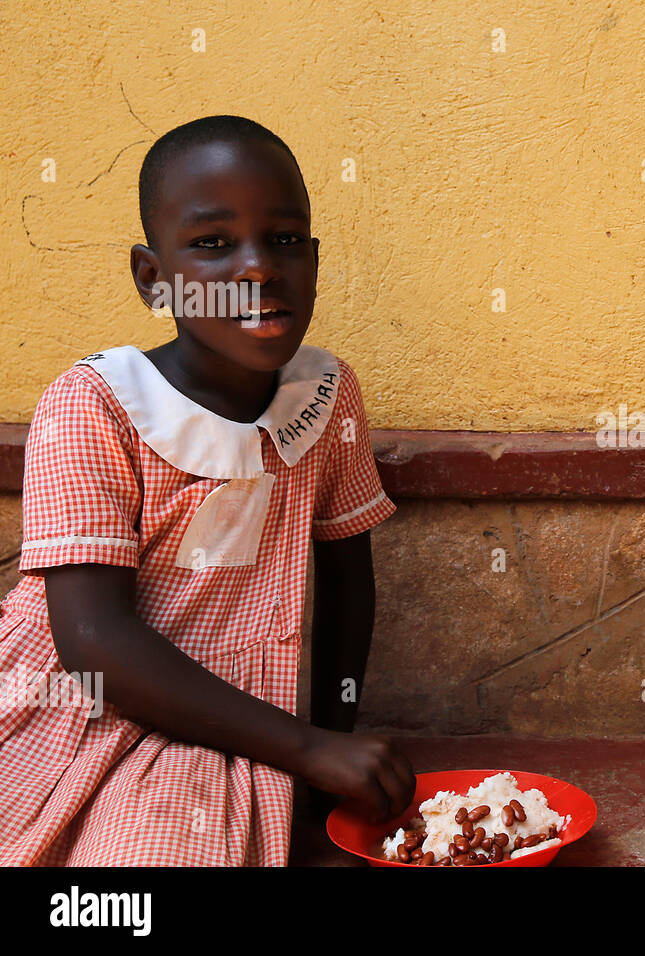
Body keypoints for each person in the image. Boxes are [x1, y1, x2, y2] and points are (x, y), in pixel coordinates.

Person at [0, 116, 415, 865]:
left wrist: (333, 739)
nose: (258, 269)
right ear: (153, 280)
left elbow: (349, 582)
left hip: (222, 723)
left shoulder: (326, 395)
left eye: (285, 239)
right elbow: (92, 642)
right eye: (214, 244)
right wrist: (307, 746)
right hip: (67, 705)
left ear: (315, 261)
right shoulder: (96, 403)